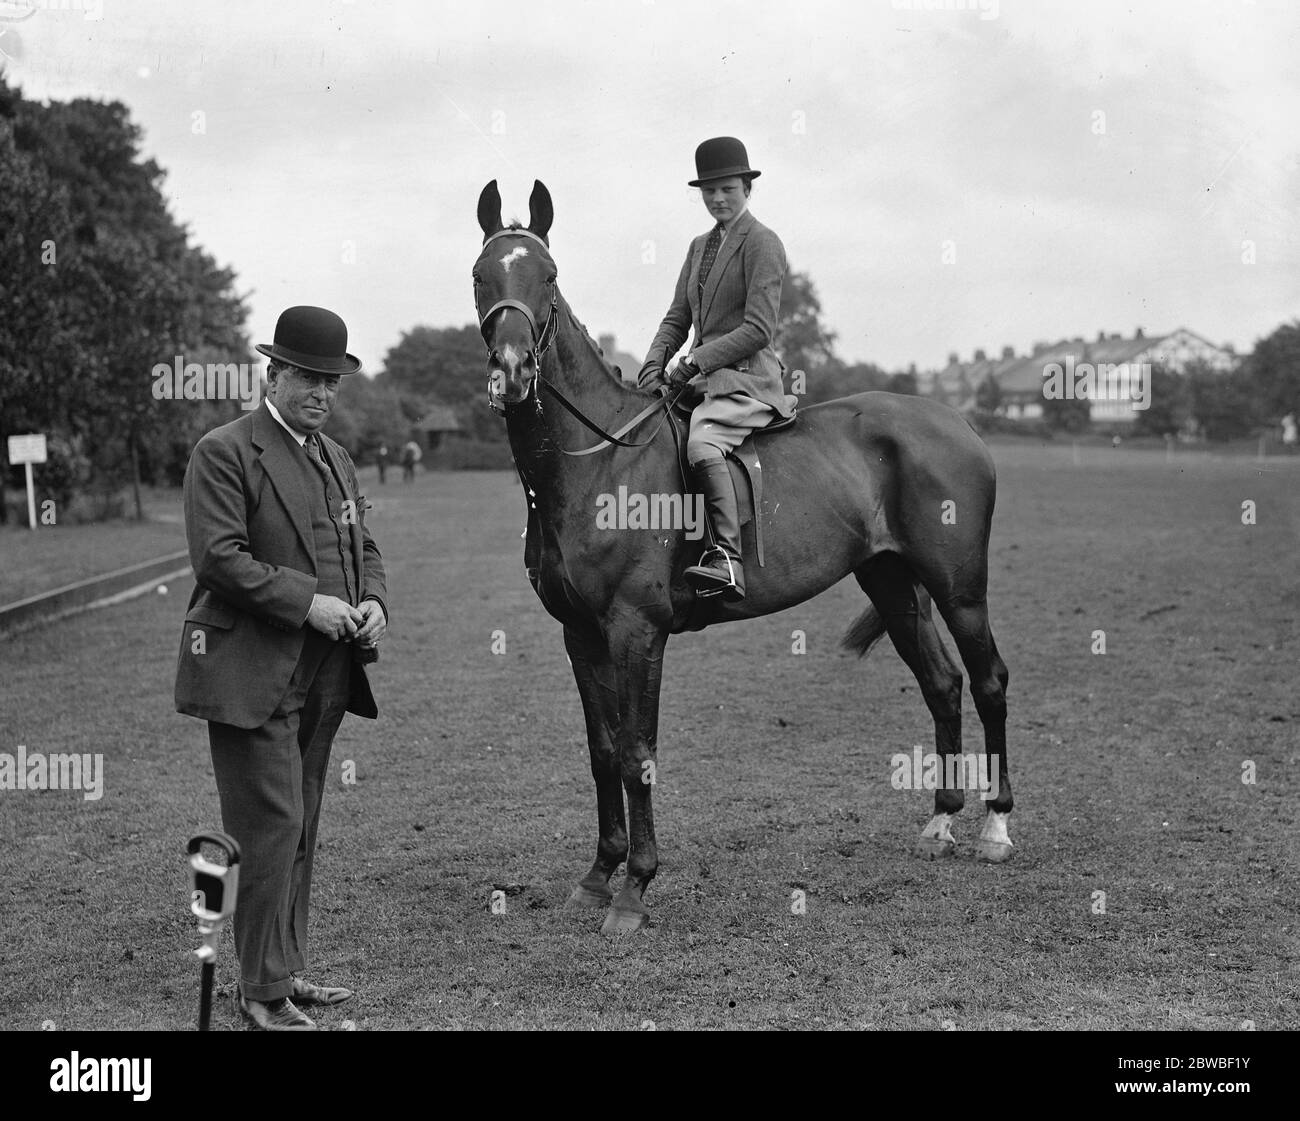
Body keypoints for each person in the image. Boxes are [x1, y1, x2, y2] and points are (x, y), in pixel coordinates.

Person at [175, 305, 388, 1031]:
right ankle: (259, 994)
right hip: (249, 671)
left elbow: (367, 548)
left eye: (332, 380)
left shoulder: (336, 456)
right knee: (271, 825)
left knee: (299, 827)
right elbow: (219, 558)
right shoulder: (225, 450)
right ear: (274, 372)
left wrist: (374, 602)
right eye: (308, 377)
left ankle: (283, 971)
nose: (322, 392)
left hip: (328, 675)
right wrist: (310, 605)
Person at [638, 136, 797, 600]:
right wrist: (653, 365)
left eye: (727, 188)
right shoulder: (698, 247)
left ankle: (727, 558)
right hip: (703, 380)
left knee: (702, 441)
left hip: (747, 381)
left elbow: (759, 329)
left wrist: (692, 362)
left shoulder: (763, 242)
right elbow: (677, 317)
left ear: (747, 186)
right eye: (709, 192)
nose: (717, 199)